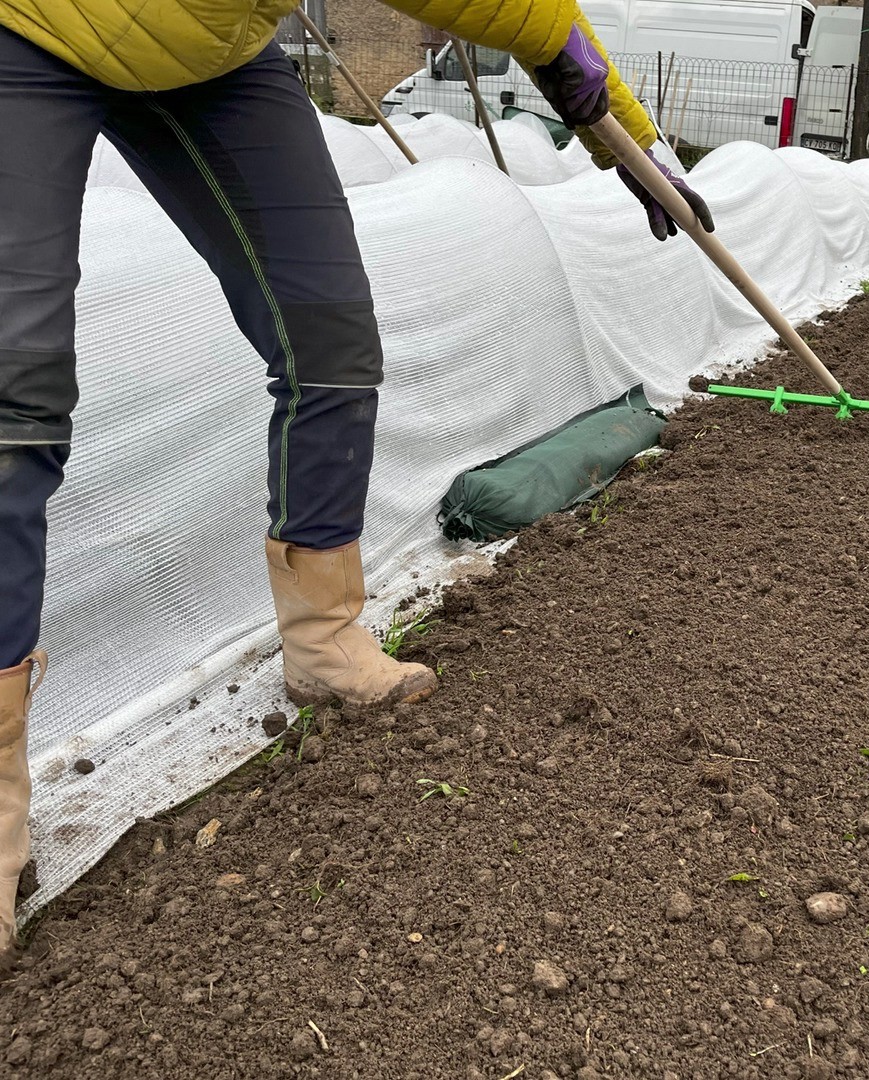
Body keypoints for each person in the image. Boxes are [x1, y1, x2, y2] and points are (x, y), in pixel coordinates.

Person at [0, 0, 715, 955]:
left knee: (331, 340)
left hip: (214, 50)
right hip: (35, 30)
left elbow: (527, 8)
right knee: (14, 388)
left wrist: (622, 135)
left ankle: (324, 640)